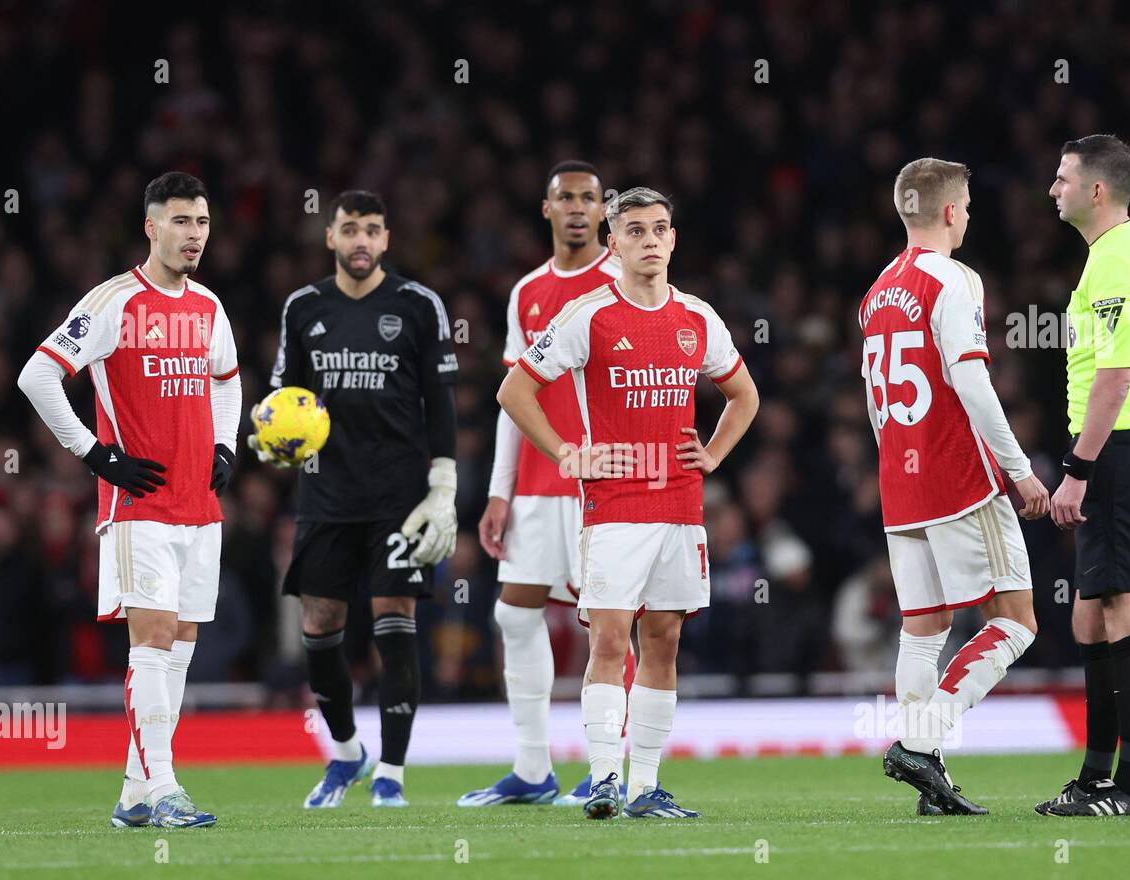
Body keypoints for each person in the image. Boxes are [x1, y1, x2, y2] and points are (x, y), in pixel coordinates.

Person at [497, 187, 759, 819]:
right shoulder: (589, 315)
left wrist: (715, 455)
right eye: (635, 231)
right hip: (614, 502)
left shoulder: (698, 318)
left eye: (659, 229)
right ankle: (604, 778)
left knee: (664, 639)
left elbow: (744, 396)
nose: (649, 240)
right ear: (613, 245)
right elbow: (514, 391)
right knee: (611, 641)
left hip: (680, 504)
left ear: (673, 240)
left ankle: (645, 786)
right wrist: (568, 453)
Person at [17, 171, 240, 828]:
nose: (193, 234)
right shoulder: (115, 300)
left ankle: (136, 791)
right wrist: (94, 453)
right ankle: (167, 789)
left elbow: (226, 380)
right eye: (179, 221)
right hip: (138, 505)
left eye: (200, 222)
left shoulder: (208, 306)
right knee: (154, 637)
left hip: (200, 505)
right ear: (150, 226)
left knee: (183, 641)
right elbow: (38, 376)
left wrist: (225, 446)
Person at [256, 190, 459, 809]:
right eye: (350, 230)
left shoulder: (419, 305)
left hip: (399, 494)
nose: (361, 241)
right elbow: (283, 400)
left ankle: (392, 771)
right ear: (331, 239)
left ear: (387, 239)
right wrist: (266, 438)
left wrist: (444, 485)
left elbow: (441, 401)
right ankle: (346, 754)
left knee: (395, 621)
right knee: (320, 625)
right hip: (325, 493)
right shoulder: (304, 307)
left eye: (372, 230)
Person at [859, 158, 1049, 815]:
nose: (967, 215)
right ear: (946, 212)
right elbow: (971, 382)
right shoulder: (951, 281)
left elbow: (872, 403)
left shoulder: (878, 291)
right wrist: (1020, 471)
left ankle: (928, 781)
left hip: (899, 481)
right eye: (965, 205)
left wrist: (897, 463)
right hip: (958, 478)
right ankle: (921, 741)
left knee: (923, 628)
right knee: (1016, 623)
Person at [458, 161, 635, 809]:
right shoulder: (527, 291)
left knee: (608, 624)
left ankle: (612, 767)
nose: (580, 208)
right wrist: (499, 491)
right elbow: (514, 397)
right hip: (536, 483)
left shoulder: (621, 280)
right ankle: (533, 770)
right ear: (547, 208)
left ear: (603, 211)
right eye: (568, 198)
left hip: (600, 479)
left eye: (591, 198)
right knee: (514, 611)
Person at [1038, 135, 1130, 817]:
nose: (1053, 189)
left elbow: (1115, 379)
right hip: (1118, 445)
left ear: (1097, 190)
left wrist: (1077, 470)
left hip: (1119, 447)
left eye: (1063, 179)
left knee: (1124, 606)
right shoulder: (1113, 257)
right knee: (1090, 615)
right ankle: (1096, 775)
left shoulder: (1119, 261)